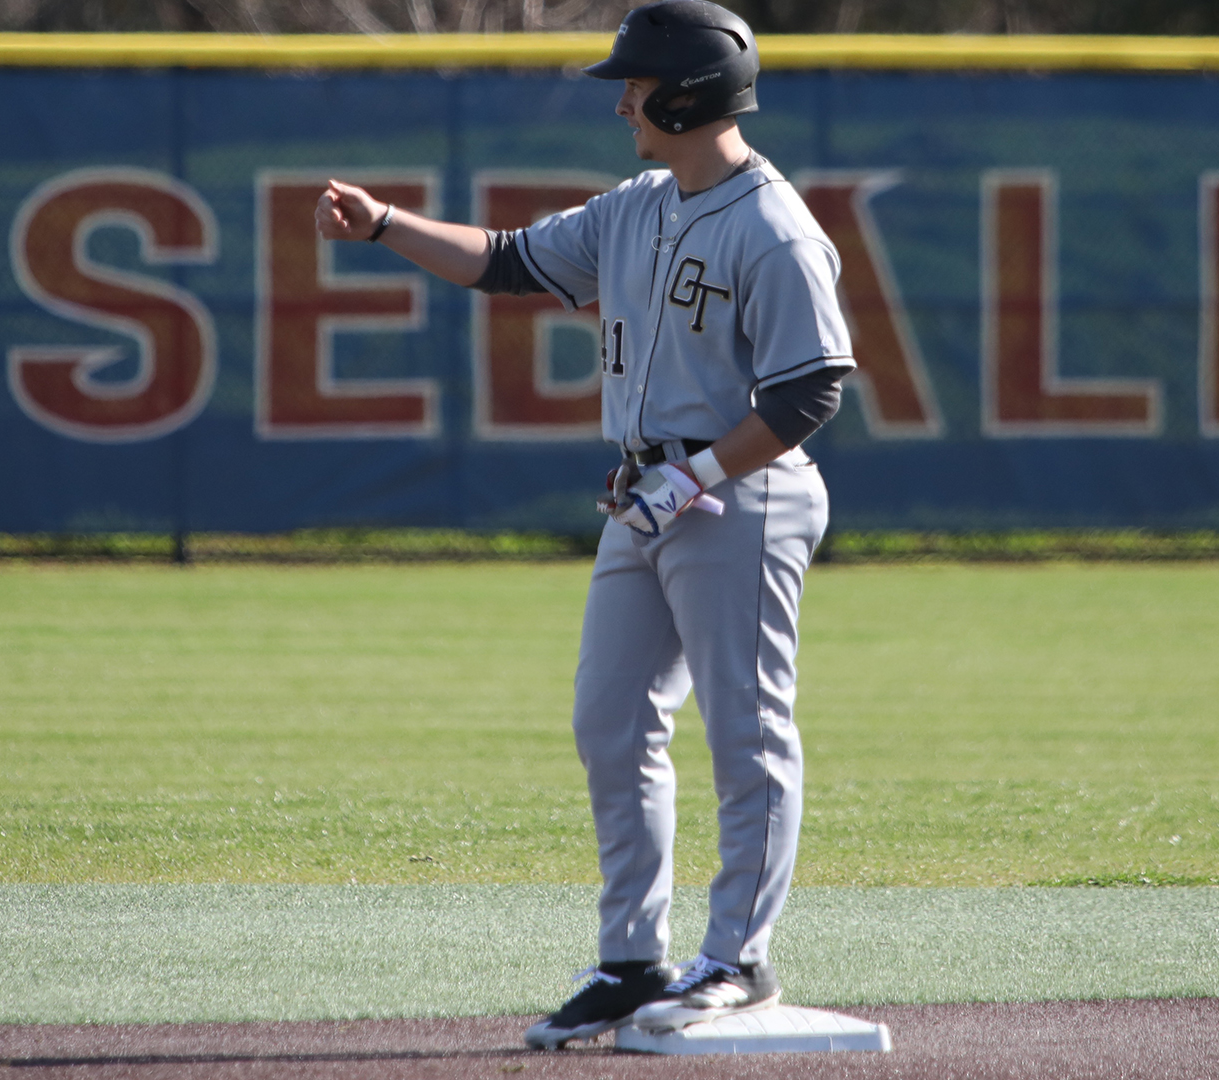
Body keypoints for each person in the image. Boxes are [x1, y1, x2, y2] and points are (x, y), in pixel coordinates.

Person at [316, 0, 853, 1049]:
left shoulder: (775, 227)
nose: (622, 100)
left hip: (743, 497)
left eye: (637, 84)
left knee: (745, 733)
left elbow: (809, 393)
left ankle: (739, 959)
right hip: (646, 498)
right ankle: (633, 958)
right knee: (611, 721)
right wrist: (387, 225)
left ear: (689, 94)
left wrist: (694, 478)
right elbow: (509, 260)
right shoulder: (642, 204)